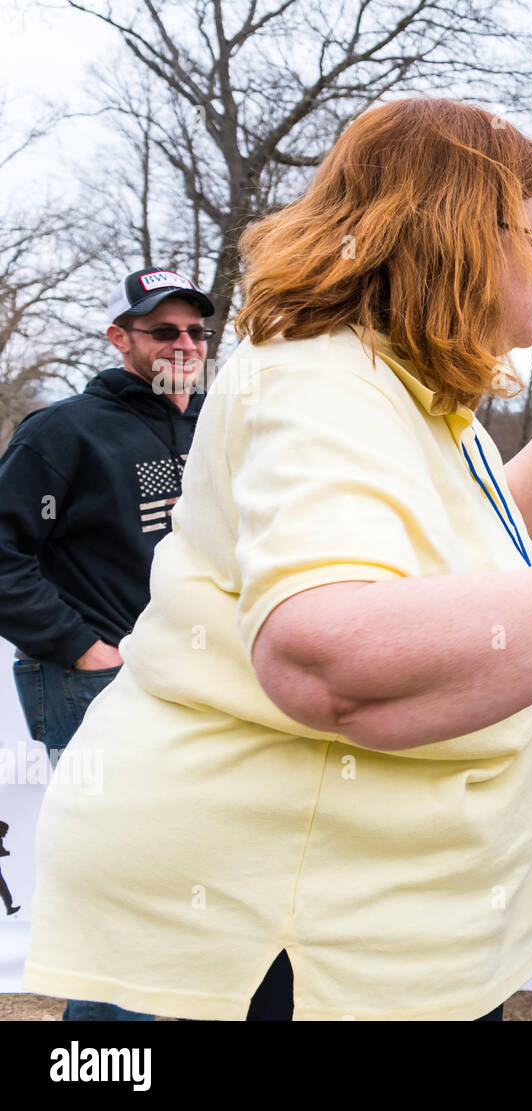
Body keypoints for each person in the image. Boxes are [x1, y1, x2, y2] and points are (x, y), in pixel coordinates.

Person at [22, 97, 532, 1021]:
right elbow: (329, 654)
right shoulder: (322, 382)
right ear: (460, 234)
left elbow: (488, 561)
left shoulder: (398, 386)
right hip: (275, 941)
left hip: (360, 935)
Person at [1, 266, 214, 1021]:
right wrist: (80, 644)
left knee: (196, 889)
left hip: (204, 686)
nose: (184, 344)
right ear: (119, 337)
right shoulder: (62, 432)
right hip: (96, 684)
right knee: (126, 890)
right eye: (163, 331)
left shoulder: (220, 427)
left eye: (195, 330)